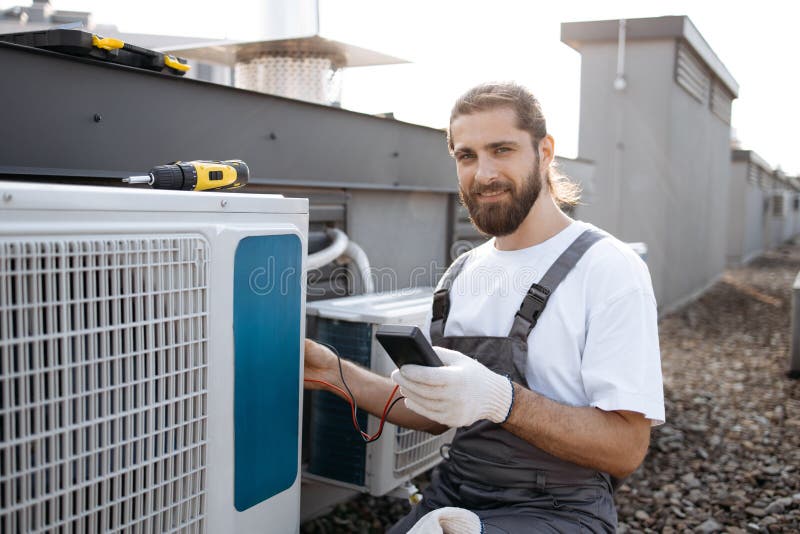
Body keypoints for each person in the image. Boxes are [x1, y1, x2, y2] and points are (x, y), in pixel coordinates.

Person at [304, 82, 664, 533]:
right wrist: (331, 371)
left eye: (502, 149)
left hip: (558, 510)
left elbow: (626, 449)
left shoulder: (609, 268)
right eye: (467, 156)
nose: (483, 173)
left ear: (545, 151)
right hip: (454, 491)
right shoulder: (461, 274)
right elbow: (434, 413)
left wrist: (501, 399)